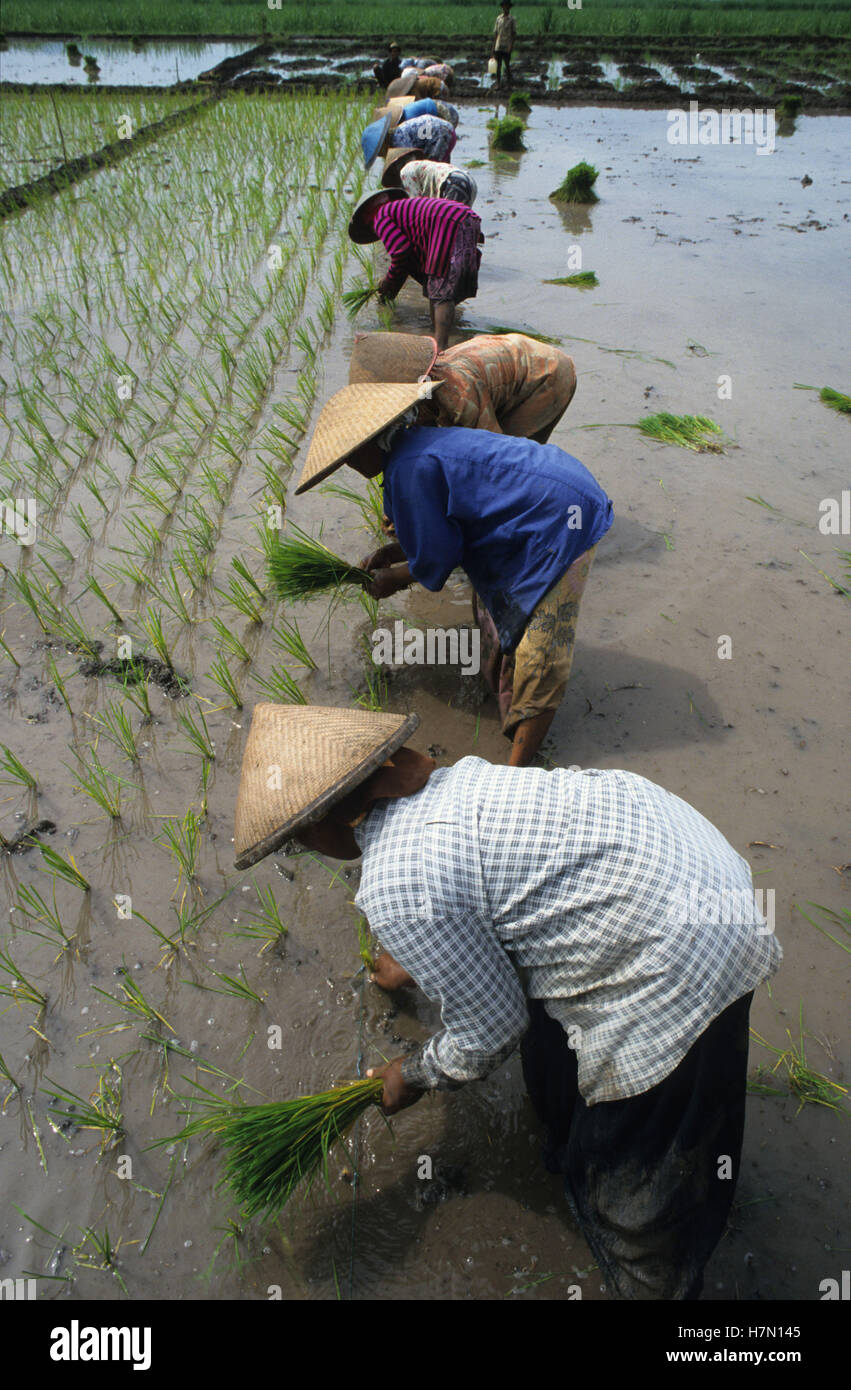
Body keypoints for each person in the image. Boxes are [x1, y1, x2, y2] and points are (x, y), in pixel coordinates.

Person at [232, 703, 783, 1300]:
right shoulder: (463, 780)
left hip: (672, 958)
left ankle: (657, 1284)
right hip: (703, 876)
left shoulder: (395, 880)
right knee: (665, 1089)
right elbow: (504, 900)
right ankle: (635, 1153)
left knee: (636, 1182)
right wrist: (422, 964)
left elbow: (489, 1031)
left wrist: (411, 1074)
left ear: (318, 827)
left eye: (301, 841)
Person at [294, 382, 612, 764]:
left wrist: (394, 578)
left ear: (370, 444)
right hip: (551, 489)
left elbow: (438, 558)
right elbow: (444, 528)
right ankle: (505, 692)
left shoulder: (408, 468)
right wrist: (392, 553)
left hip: (562, 516)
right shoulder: (412, 451)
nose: (350, 466)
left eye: (349, 457)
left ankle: (517, 769)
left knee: (540, 650)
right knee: (499, 603)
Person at [350, 330, 576, 442]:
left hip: (548, 375)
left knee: (514, 459)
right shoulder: (425, 385)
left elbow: (492, 449)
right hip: (512, 363)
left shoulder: (459, 392)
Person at [347, 189, 482, 350]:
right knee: (442, 283)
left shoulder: (380, 217)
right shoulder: (398, 210)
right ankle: (445, 333)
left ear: (367, 221)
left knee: (441, 290)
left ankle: (440, 349)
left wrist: (388, 282)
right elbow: (410, 258)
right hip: (466, 217)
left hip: (447, 222)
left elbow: (401, 252)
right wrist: (392, 288)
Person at [382, 147, 478, 206]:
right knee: (463, 223)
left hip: (453, 183)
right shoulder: (421, 166)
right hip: (468, 180)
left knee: (446, 225)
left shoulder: (405, 171)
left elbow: (417, 204)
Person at [492, 0, 517, 88]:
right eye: (504, 6)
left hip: (507, 45)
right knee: (498, 66)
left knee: (507, 65)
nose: (505, 8)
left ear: (509, 8)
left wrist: (511, 46)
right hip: (498, 45)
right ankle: (498, 83)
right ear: (502, 7)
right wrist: (493, 47)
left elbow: (514, 34)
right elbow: (496, 33)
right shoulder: (498, 19)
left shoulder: (512, 19)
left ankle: (509, 84)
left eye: (507, 6)